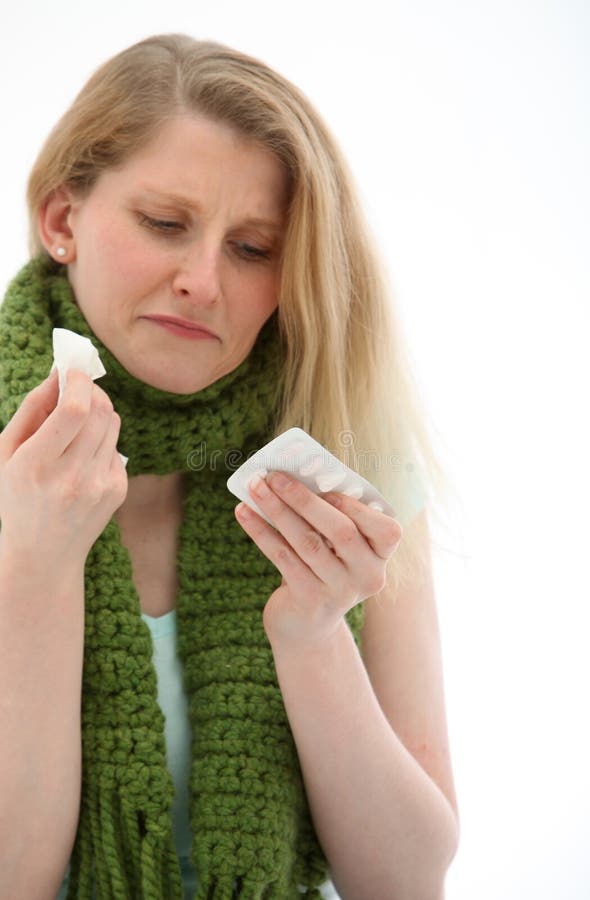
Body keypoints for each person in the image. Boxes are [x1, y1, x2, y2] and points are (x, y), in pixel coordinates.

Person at [0, 33, 459, 900]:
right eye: (165, 224)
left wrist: (313, 634)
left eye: (252, 249)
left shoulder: (347, 453)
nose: (202, 281)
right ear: (63, 221)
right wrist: (36, 568)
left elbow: (404, 884)